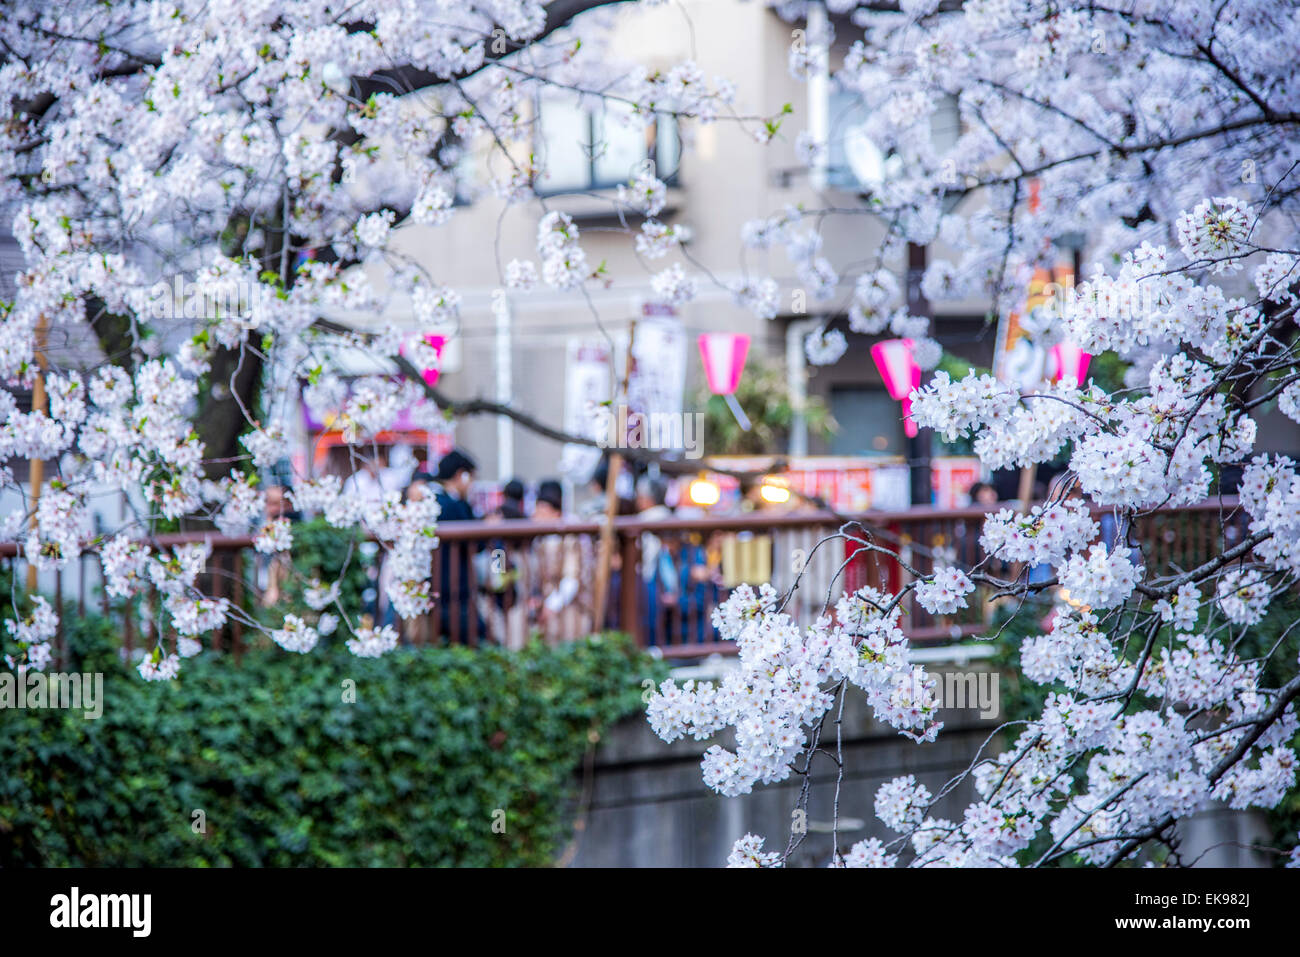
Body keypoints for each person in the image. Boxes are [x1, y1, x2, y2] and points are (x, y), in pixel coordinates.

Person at [528, 480, 593, 644]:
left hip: (569, 608)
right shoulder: (538, 539)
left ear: (556, 512)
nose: (536, 516)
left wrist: (552, 604)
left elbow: (573, 576)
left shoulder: (570, 535)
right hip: (548, 606)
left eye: (542, 511)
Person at [430, 449, 483, 642]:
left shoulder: (431, 501)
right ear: (462, 475)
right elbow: (481, 545)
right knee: (479, 639)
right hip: (456, 591)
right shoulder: (454, 505)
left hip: (436, 589)